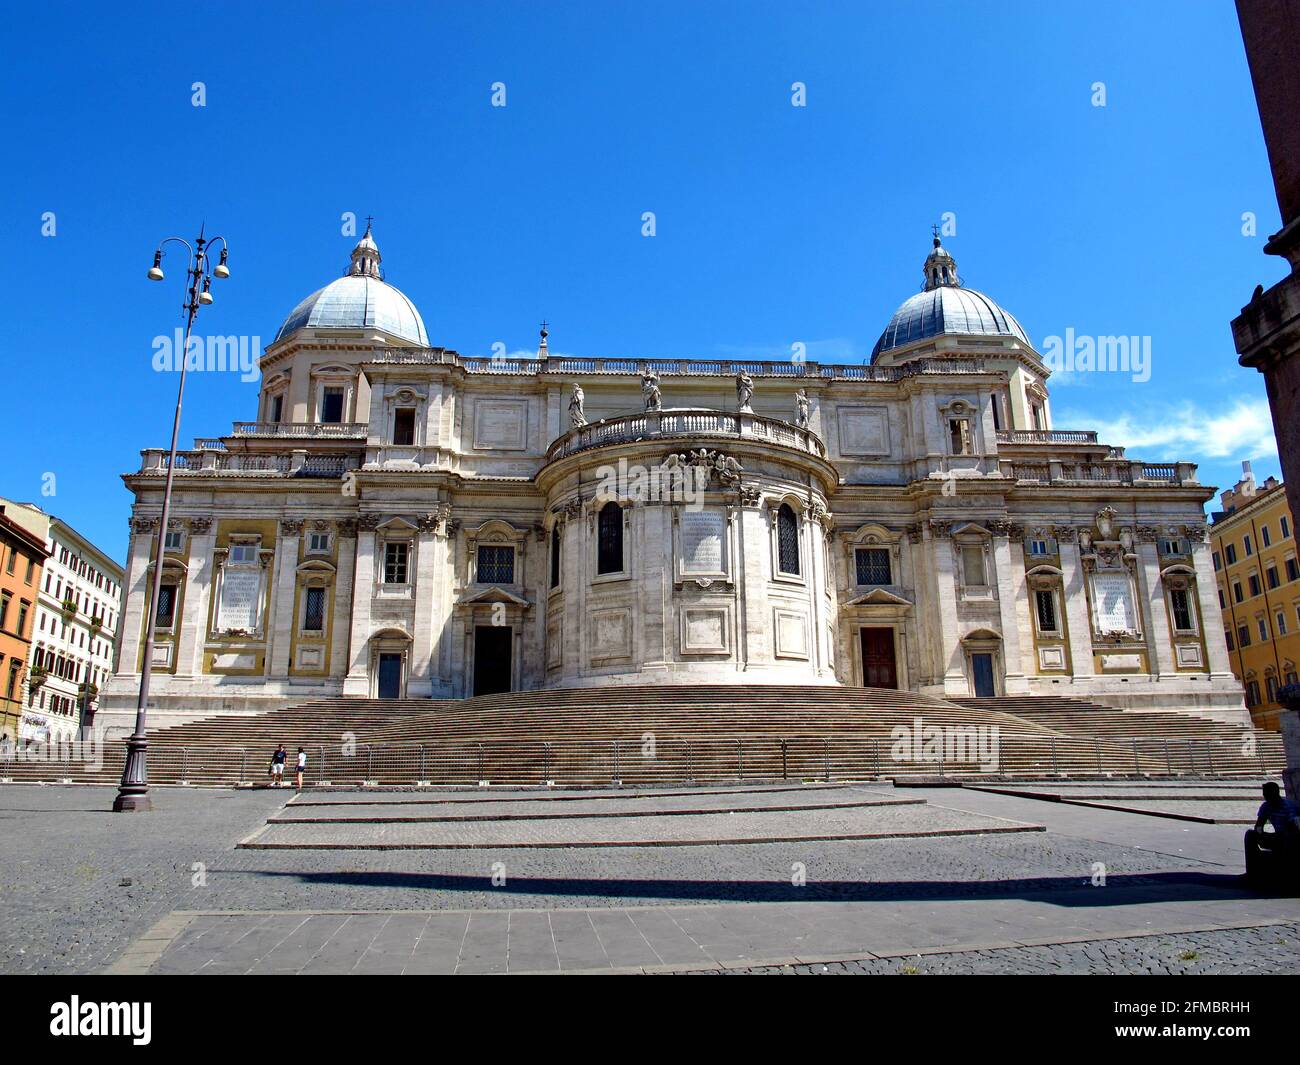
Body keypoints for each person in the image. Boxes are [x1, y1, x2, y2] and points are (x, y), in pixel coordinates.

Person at [1244, 781, 1300, 882]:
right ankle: (1252, 871)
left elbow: (1292, 826)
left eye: (1267, 794)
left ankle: (1286, 872)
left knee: (1288, 836)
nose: (1265, 797)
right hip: (1277, 836)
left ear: (1274, 794)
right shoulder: (1266, 806)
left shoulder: (1287, 806)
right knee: (1250, 835)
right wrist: (1260, 834)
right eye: (1264, 794)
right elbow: (1259, 824)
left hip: (1290, 837)